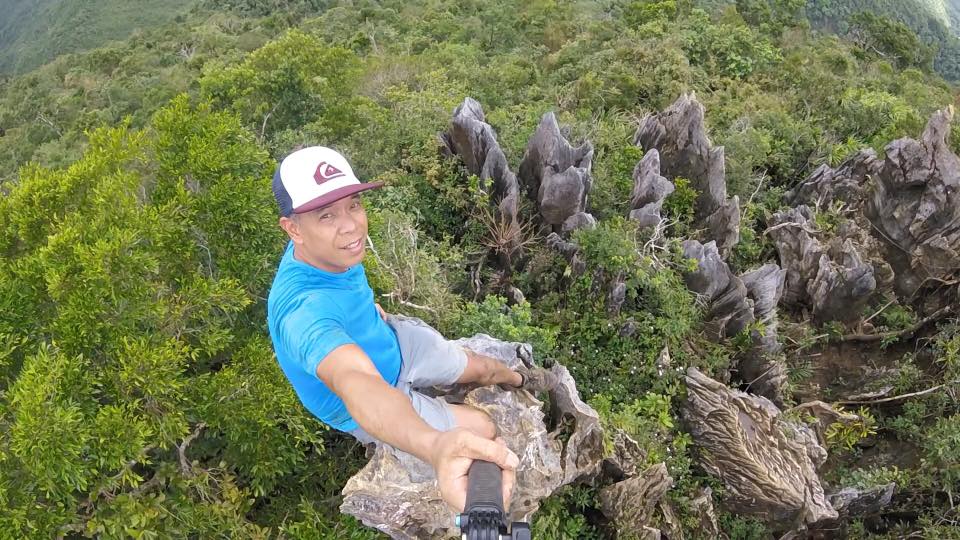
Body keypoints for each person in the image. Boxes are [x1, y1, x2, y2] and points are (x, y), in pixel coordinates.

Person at [266, 146, 556, 512]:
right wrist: (436, 447)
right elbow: (356, 380)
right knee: (482, 428)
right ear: (293, 228)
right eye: (326, 215)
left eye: (353, 204)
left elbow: (340, 294)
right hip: (374, 394)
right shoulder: (302, 314)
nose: (351, 224)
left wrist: (364, 315)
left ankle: (521, 380)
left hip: (390, 341)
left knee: (483, 366)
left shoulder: (332, 252)